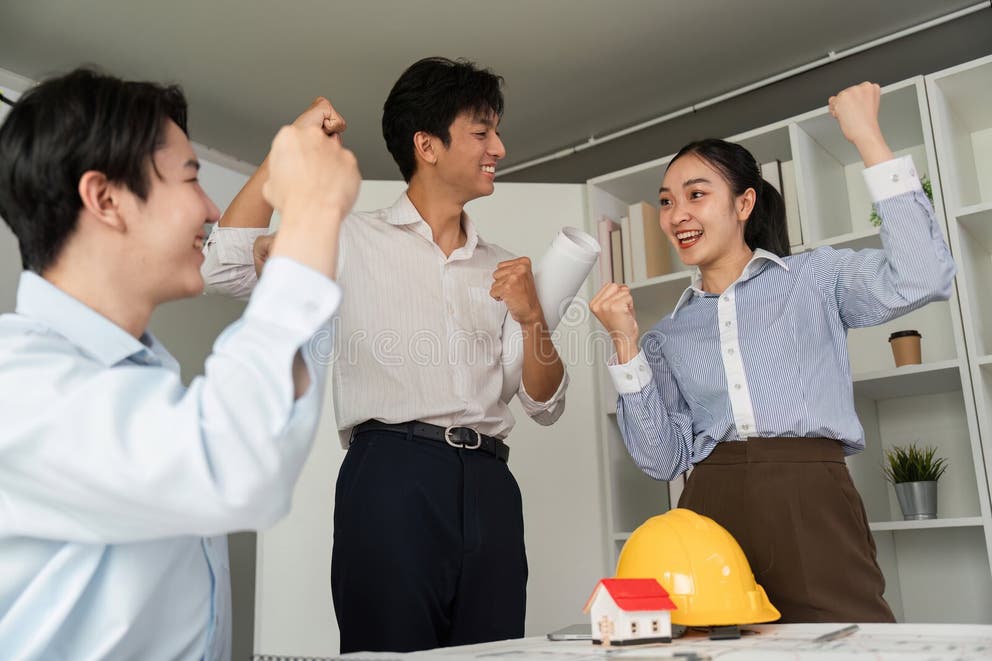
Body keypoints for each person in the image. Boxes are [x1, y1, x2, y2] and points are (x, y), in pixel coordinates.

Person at [201, 57, 569, 652]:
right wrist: (286, 151)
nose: (498, 147)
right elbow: (223, 265)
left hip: (491, 485)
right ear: (427, 144)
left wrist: (532, 321)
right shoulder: (348, 238)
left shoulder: (503, 263)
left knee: (496, 650)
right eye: (482, 132)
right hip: (392, 476)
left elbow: (545, 403)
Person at [0, 68, 360, 659]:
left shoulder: (140, 375)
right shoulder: (20, 384)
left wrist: (295, 268)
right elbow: (236, 461)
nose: (212, 206)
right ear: (106, 198)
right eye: (191, 178)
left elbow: (253, 435)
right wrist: (312, 212)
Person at [590, 82, 956, 623]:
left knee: (852, 640)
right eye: (666, 201)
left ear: (744, 203)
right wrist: (625, 343)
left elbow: (924, 276)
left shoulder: (816, 278)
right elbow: (662, 458)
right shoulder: (667, 334)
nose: (676, 215)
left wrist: (867, 137)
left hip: (812, 497)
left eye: (696, 194)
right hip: (709, 510)